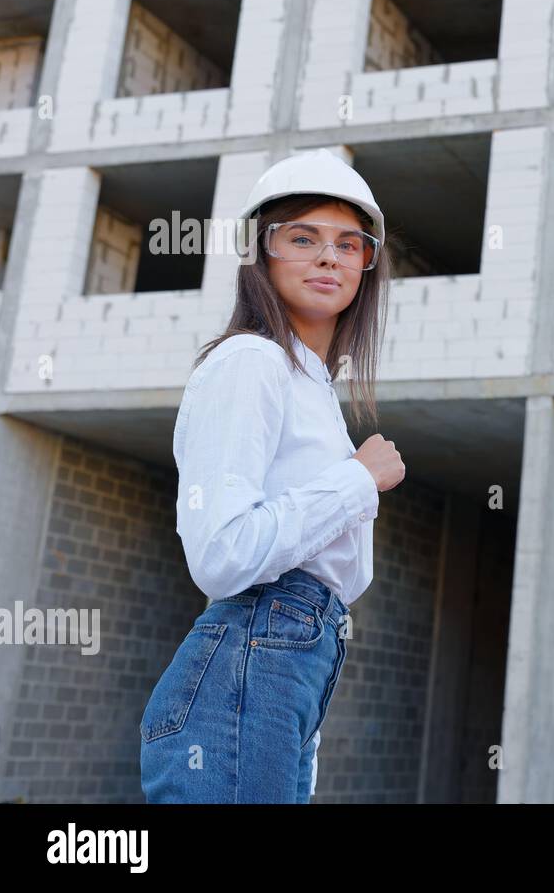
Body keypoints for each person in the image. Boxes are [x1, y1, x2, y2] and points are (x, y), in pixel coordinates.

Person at [139, 149, 406, 802]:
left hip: (286, 663)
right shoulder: (250, 362)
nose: (329, 258)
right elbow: (222, 555)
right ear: (261, 253)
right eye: (303, 238)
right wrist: (356, 481)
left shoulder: (311, 386)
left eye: (350, 244)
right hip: (248, 659)